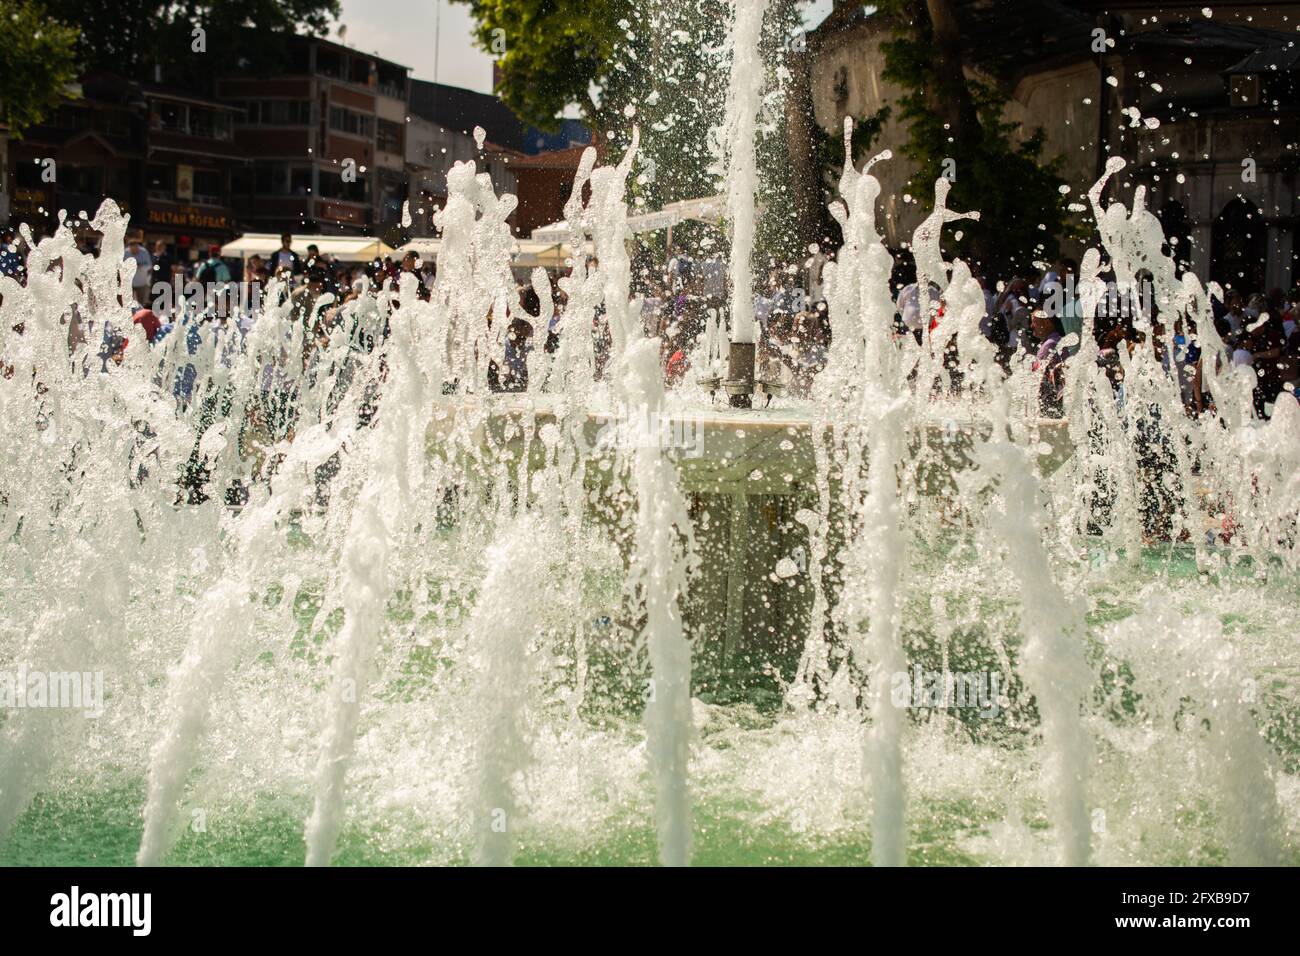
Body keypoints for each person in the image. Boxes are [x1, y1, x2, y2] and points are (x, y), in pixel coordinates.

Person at [125, 236, 153, 306]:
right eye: (132, 250)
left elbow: (149, 265)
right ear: (129, 248)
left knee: (141, 303)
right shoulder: (126, 252)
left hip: (141, 282)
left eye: (135, 249)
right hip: (129, 282)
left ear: (137, 247)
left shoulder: (144, 252)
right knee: (127, 303)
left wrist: (140, 266)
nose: (134, 251)